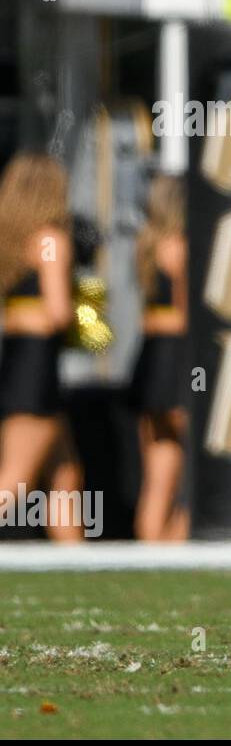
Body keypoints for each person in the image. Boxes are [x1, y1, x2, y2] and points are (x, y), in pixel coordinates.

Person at [0, 153, 83, 541]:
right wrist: (92, 312)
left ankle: (75, 563)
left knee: (65, 476)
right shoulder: (51, 239)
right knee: (15, 481)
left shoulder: (13, 239)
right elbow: (58, 312)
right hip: (37, 365)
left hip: (19, 358)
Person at [129, 175, 189, 542]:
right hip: (178, 359)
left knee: (157, 479)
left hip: (150, 359)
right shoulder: (181, 247)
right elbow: (189, 315)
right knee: (206, 471)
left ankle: (153, 551)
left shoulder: (146, 245)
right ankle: (176, 543)